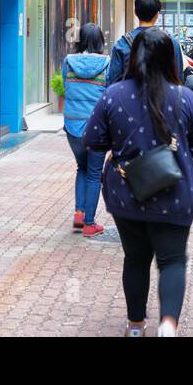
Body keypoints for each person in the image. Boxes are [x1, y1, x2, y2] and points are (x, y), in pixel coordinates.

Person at [83, 29, 193, 337]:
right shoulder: (184, 96)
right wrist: (176, 152)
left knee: (136, 259)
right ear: (171, 59)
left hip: (128, 194)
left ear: (132, 57)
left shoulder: (112, 95)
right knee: (172, 260)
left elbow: (92, 140)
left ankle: (136, 326)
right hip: (175, 194)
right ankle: (168, 325)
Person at [63, 23, 110, 238]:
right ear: (100, 40)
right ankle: (89, 224)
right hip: (97, 128)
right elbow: (111, 93)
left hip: (73, 126)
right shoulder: (107, 63)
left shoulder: (68, 62)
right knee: (93, 174)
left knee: (81, 168)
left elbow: (66, 86)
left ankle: (79, 216)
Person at [107, 0, 183, 87]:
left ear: (135, 12)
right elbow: (178, 76)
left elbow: (113, 80)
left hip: (129, 99)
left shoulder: (122, 43)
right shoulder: (171, 42)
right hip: (164, 99)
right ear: (157, 14)